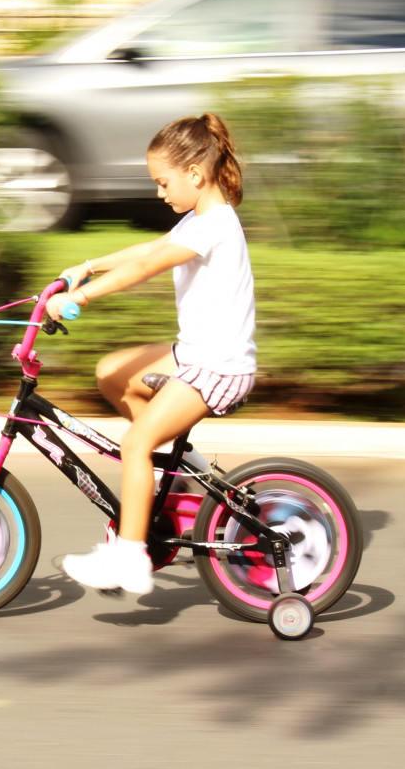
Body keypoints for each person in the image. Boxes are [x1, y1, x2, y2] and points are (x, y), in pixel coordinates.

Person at [54, 112, 256, 597]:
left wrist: (79, 298)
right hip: (193, 356)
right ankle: (181, 468)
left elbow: (148, 265)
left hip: (219, 369)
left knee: (135, 444)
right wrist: (84, 268)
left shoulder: (216, 225)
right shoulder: (198, 220)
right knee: (111, 374)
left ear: (195, 173)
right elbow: (151, 246)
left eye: (163, 182)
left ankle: (129, 559)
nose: (159, 193)